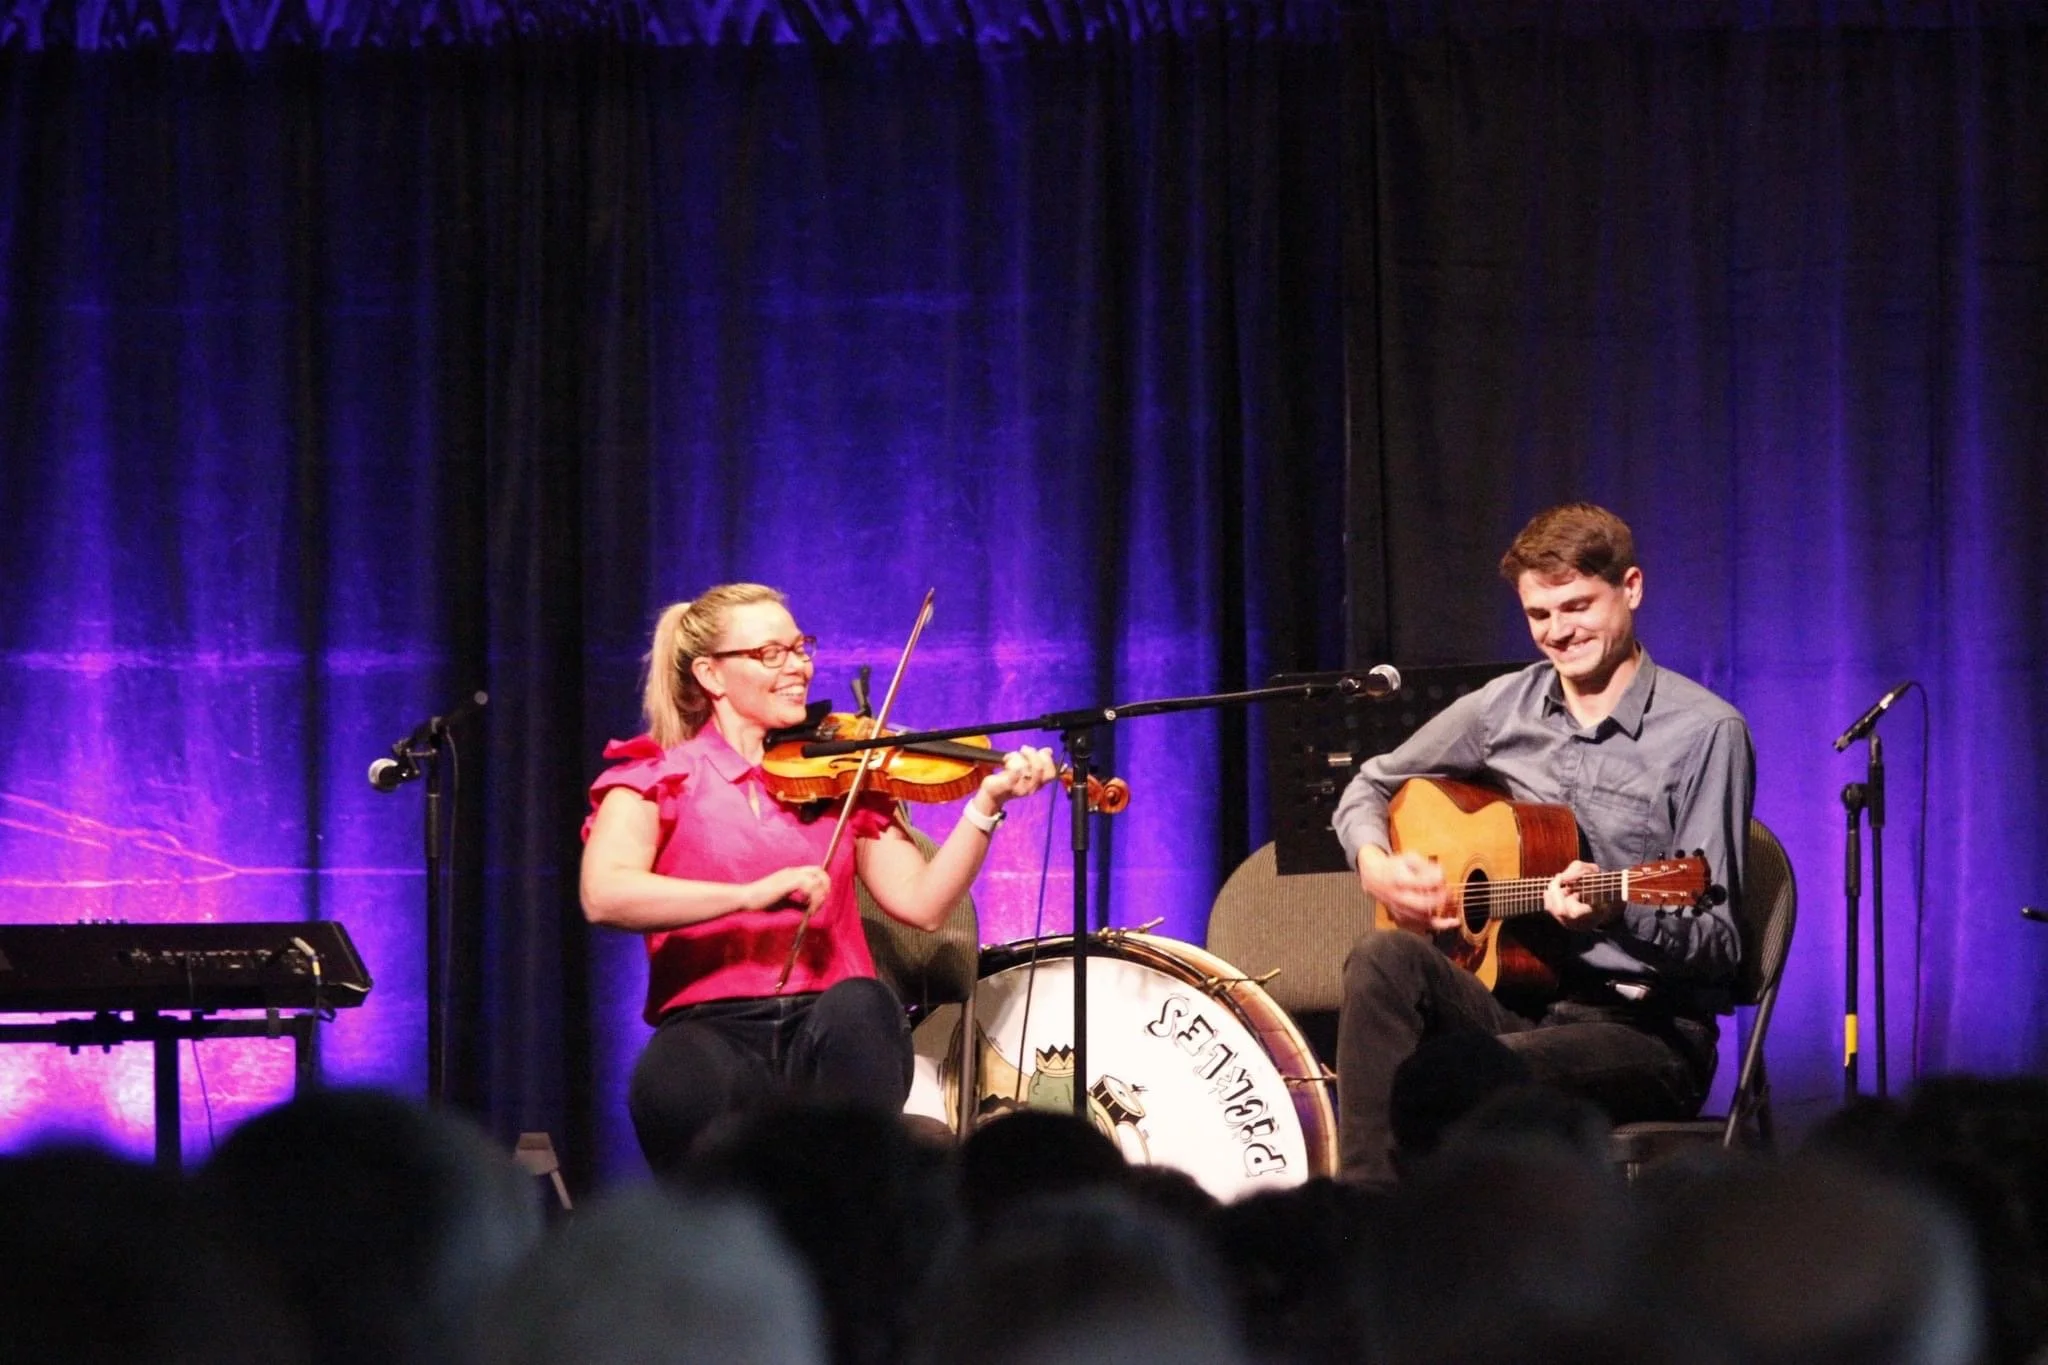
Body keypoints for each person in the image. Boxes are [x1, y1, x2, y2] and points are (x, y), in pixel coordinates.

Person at [1330, 503, 1754, 1187]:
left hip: (1644, 1030)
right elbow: (1369, 784)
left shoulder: (1704, 733)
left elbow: (1722, 942)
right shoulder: (1504, 707)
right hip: (1522, 1000)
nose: (1558, 632)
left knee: (1453, 1076)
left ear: (1632, 588)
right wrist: (1376, 866)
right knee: (1382, 958)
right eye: (1539, 615)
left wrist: (1619, 911)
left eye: (1577, 606)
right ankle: (1362, 1212)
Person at [581, 583, 1057, 1175]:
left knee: (863, 1006)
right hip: (710, 1029)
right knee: (676, 1076)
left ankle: (848, 1224)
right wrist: (748, 896)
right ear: (711, 674)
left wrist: (984, 805)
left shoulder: (837, 778)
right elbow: (605, 894)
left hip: (830, 1027)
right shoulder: (655, 780)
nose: (799, 667)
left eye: (800, 647)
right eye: (770, 654)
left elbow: (923, 903)